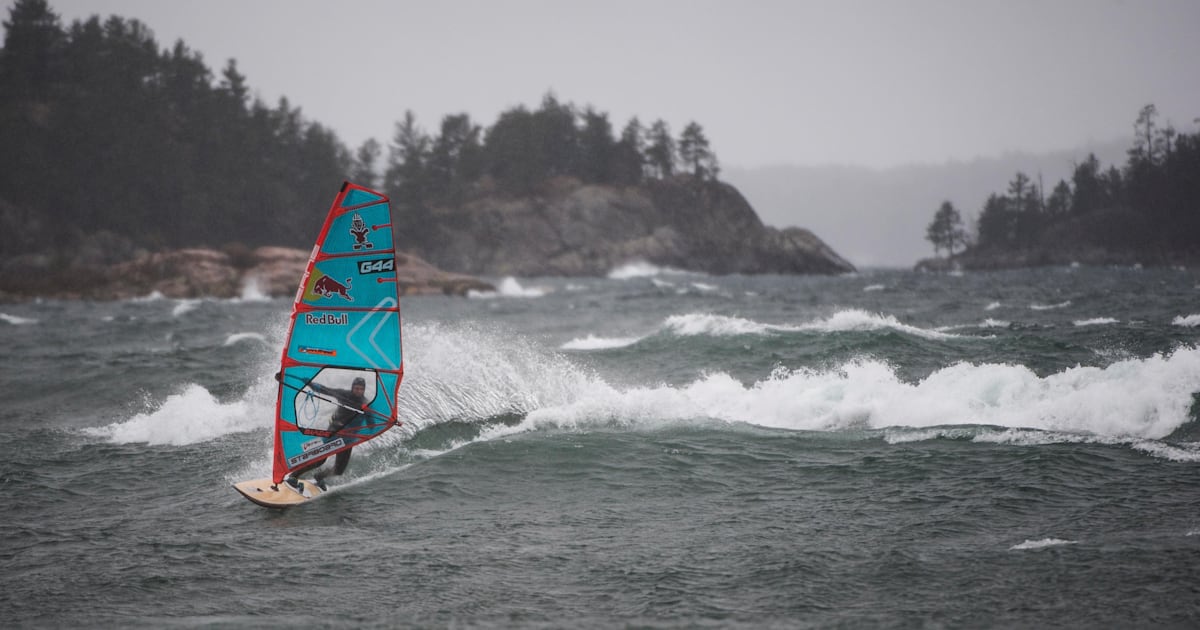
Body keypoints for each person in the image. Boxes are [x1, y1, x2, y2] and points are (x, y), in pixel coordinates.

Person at [283, 376, 367, 492]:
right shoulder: (344, 395)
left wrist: (393, 421)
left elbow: (373, 422)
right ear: (352, 388)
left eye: (361, 389)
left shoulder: (366, 404)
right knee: (320, 460)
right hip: (334, 431)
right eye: (356, 388)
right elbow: (325, 390)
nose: (358, 391)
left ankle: (319, 477)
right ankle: (293, 476)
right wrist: (310, 384)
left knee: (339, 470)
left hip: (348, 438)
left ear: (364, 390)